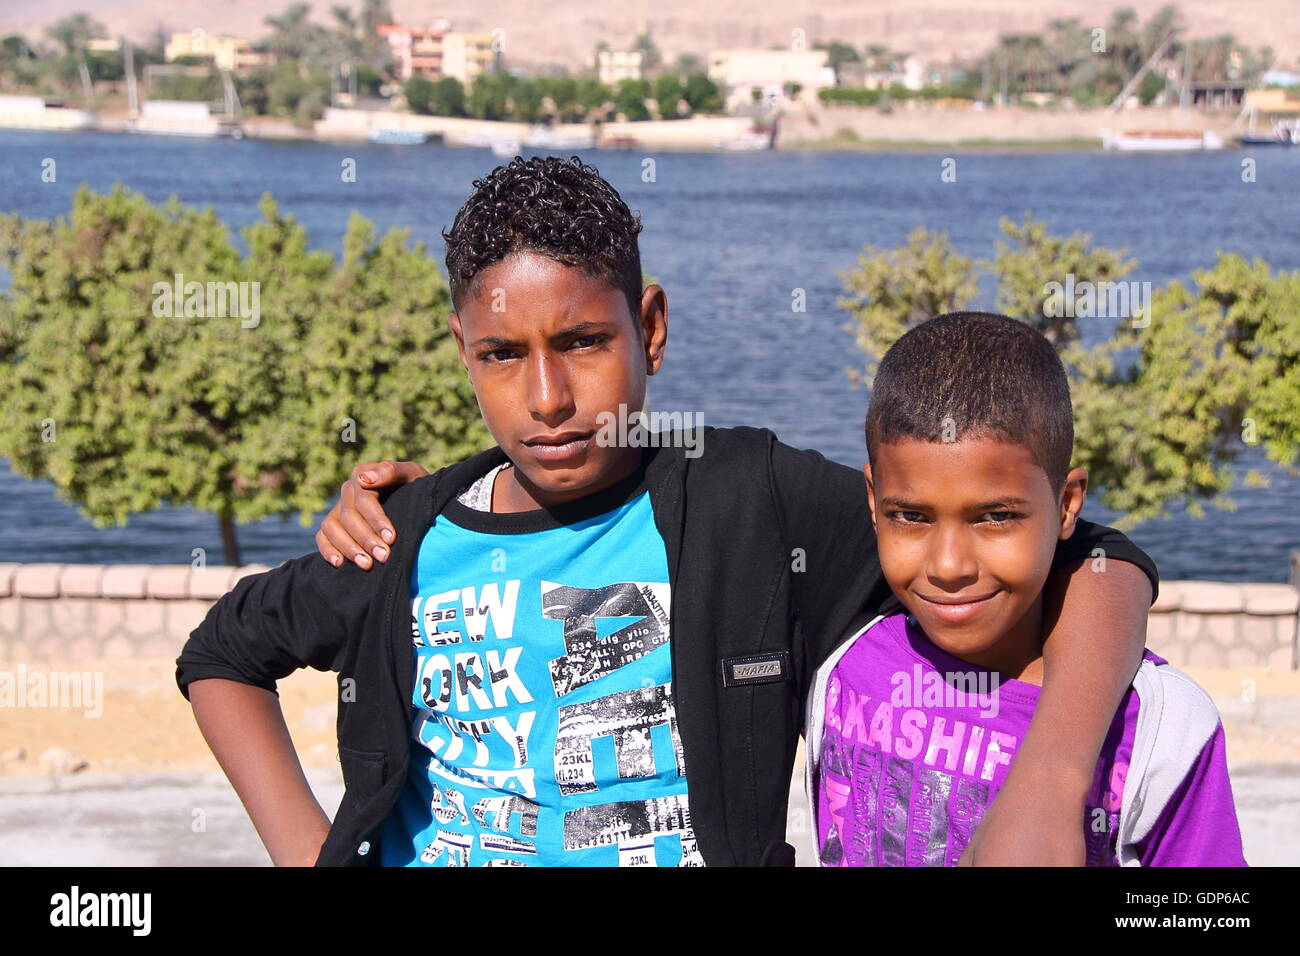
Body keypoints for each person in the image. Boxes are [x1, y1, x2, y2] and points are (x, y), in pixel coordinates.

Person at [179, 155, 1159, 867]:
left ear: (649, 327)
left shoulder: (751, 502)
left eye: (584, 341)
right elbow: (221, 655)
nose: (549, 395)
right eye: (502, 354)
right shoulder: (408, 535)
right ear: (463, 349)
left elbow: (1097, 563)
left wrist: (1051, 778)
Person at [805, 312, 1246, 866]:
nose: (948, 566)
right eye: (911, 516)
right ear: (873, 500)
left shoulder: (1161, 725)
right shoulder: (839, 652)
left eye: (995, 517)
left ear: (1067, 505)